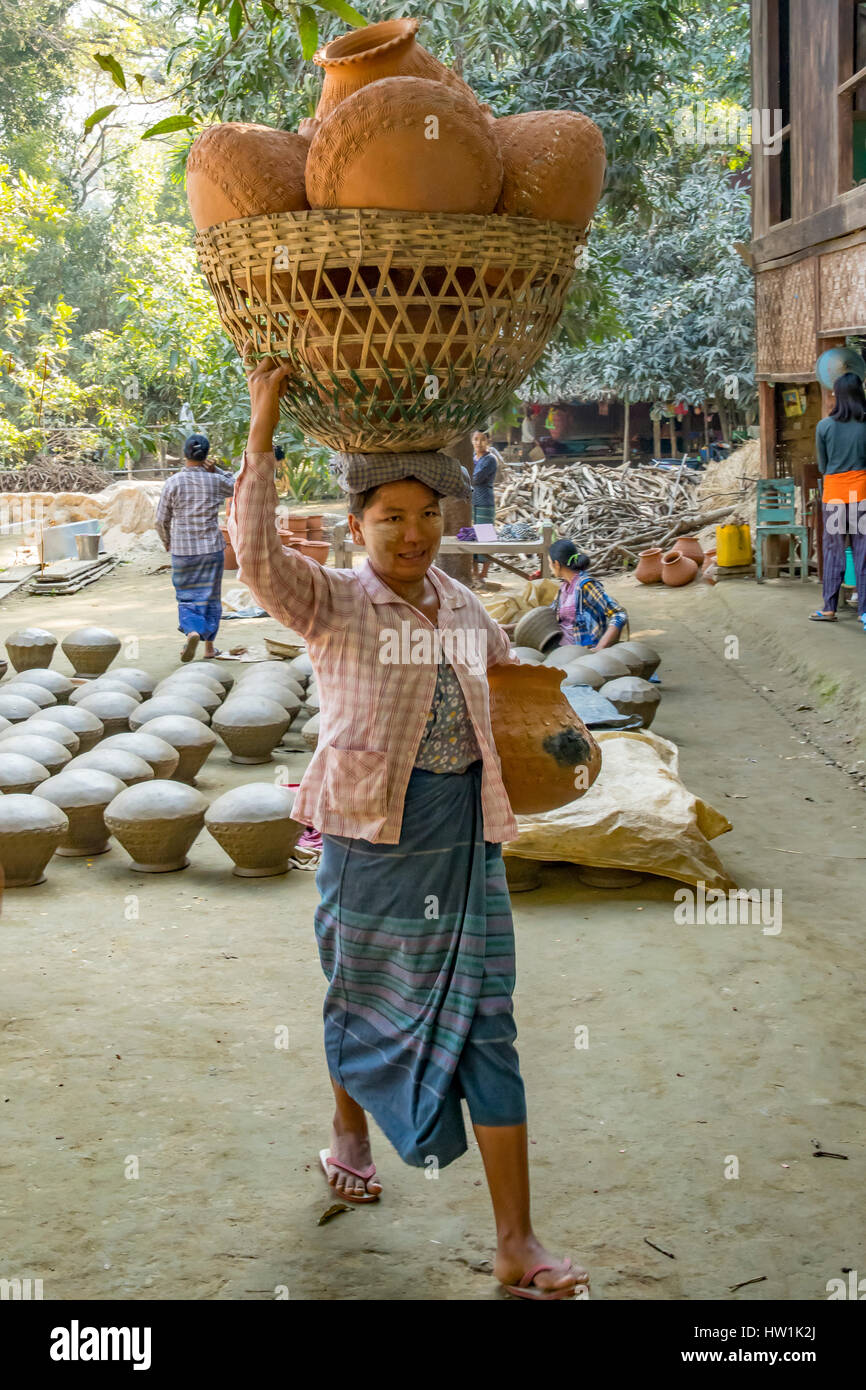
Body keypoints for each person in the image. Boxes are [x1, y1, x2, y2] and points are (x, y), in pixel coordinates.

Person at [228, 352, 593, 1301]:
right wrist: (262, 425)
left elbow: (521, 699)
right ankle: (349, 1132)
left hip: (462, 841)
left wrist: (569, 743)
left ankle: (516, 1242)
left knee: (489, 1024)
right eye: (390, 517)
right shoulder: (334, 601)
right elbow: (259, 556)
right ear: (356, 527)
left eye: (428, 515)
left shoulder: (468, 610)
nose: (412, 533)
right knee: (359, 993)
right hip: (368, 837)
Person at [155, 433, 236, 662]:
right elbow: (238, 487)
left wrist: (166, 540)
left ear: (184, 454)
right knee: (211, 596)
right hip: (211, 549)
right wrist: (216, 471)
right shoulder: (215, 480)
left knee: (187, 596)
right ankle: (209, 648)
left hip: (182, 550)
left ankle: (191, 631)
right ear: (207, 456)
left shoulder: (173, 482)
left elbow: (160, 520)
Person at [809, 371, 866, 629]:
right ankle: (864, 612)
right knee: (863, 553)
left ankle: (829, 608)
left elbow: (823, 465)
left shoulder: (825, 426)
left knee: (833, 551)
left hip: (834, 496)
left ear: (838, 395)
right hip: (861, 495)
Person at [549, 538, 628, 649]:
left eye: (549, 563)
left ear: (556, 564)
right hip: (560, 646)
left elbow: (619, 614)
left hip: (581, 652)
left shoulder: (585, 586)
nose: (550, 567)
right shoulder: (563, 588)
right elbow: (547, 615)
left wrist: (600, 647)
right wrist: (517, 627)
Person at [471, 429, 500, 583]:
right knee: (472, 537)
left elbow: (476, 478)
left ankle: (484, 573)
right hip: (471, 502)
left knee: (486, 536)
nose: (479, 443)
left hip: (484, 501)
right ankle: (474, 571)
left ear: (488, 441)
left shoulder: (490, 459)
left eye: (482, 439)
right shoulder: (472, 458)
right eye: (476, 439)